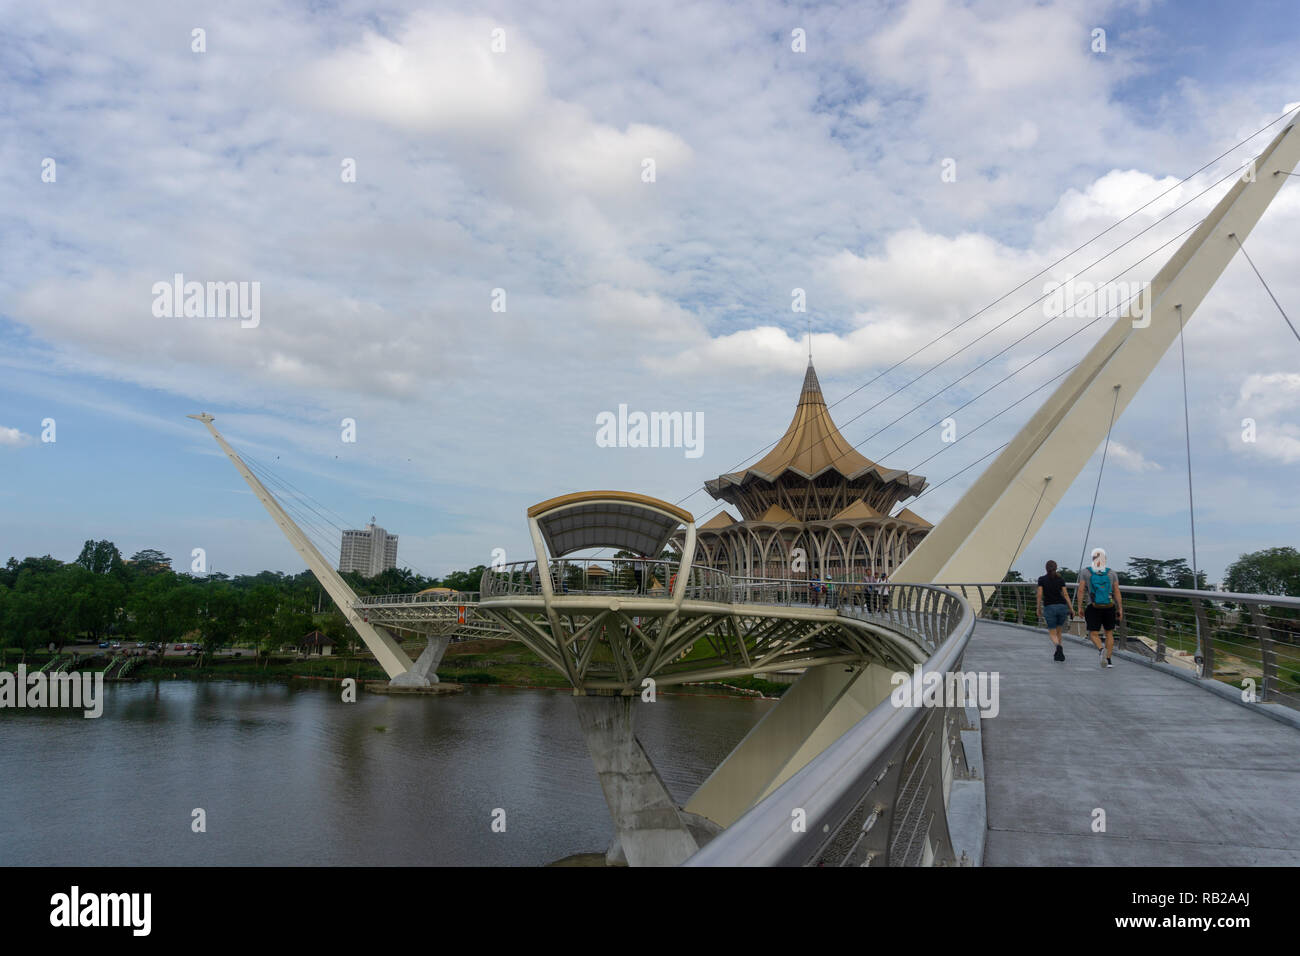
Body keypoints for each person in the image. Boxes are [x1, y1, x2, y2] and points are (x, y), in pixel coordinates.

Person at [1076, 547, 1123, 668]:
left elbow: (1081, 590)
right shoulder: (1111, 573)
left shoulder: (1085, 572)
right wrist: (1120, 608)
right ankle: (1109, 660)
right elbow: (1117, 592)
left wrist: (1079, 606)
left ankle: (1101, 649)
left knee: (1093, 633)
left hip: (1093, 606)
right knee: (1109, 633)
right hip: (1109, 605)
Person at [1036, 560, 1071, 662]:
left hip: (1049, 607)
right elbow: (1065, 595)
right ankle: (1059, 654)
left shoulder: (1042, 579)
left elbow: (1039, 595)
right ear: (1056, 568)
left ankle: (1058, 647)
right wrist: (1071, 608)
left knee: (1052, 632)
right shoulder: (1060, 579)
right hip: (1062, 607)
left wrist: (1038, 608)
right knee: (1059, 631)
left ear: (1046, 568)